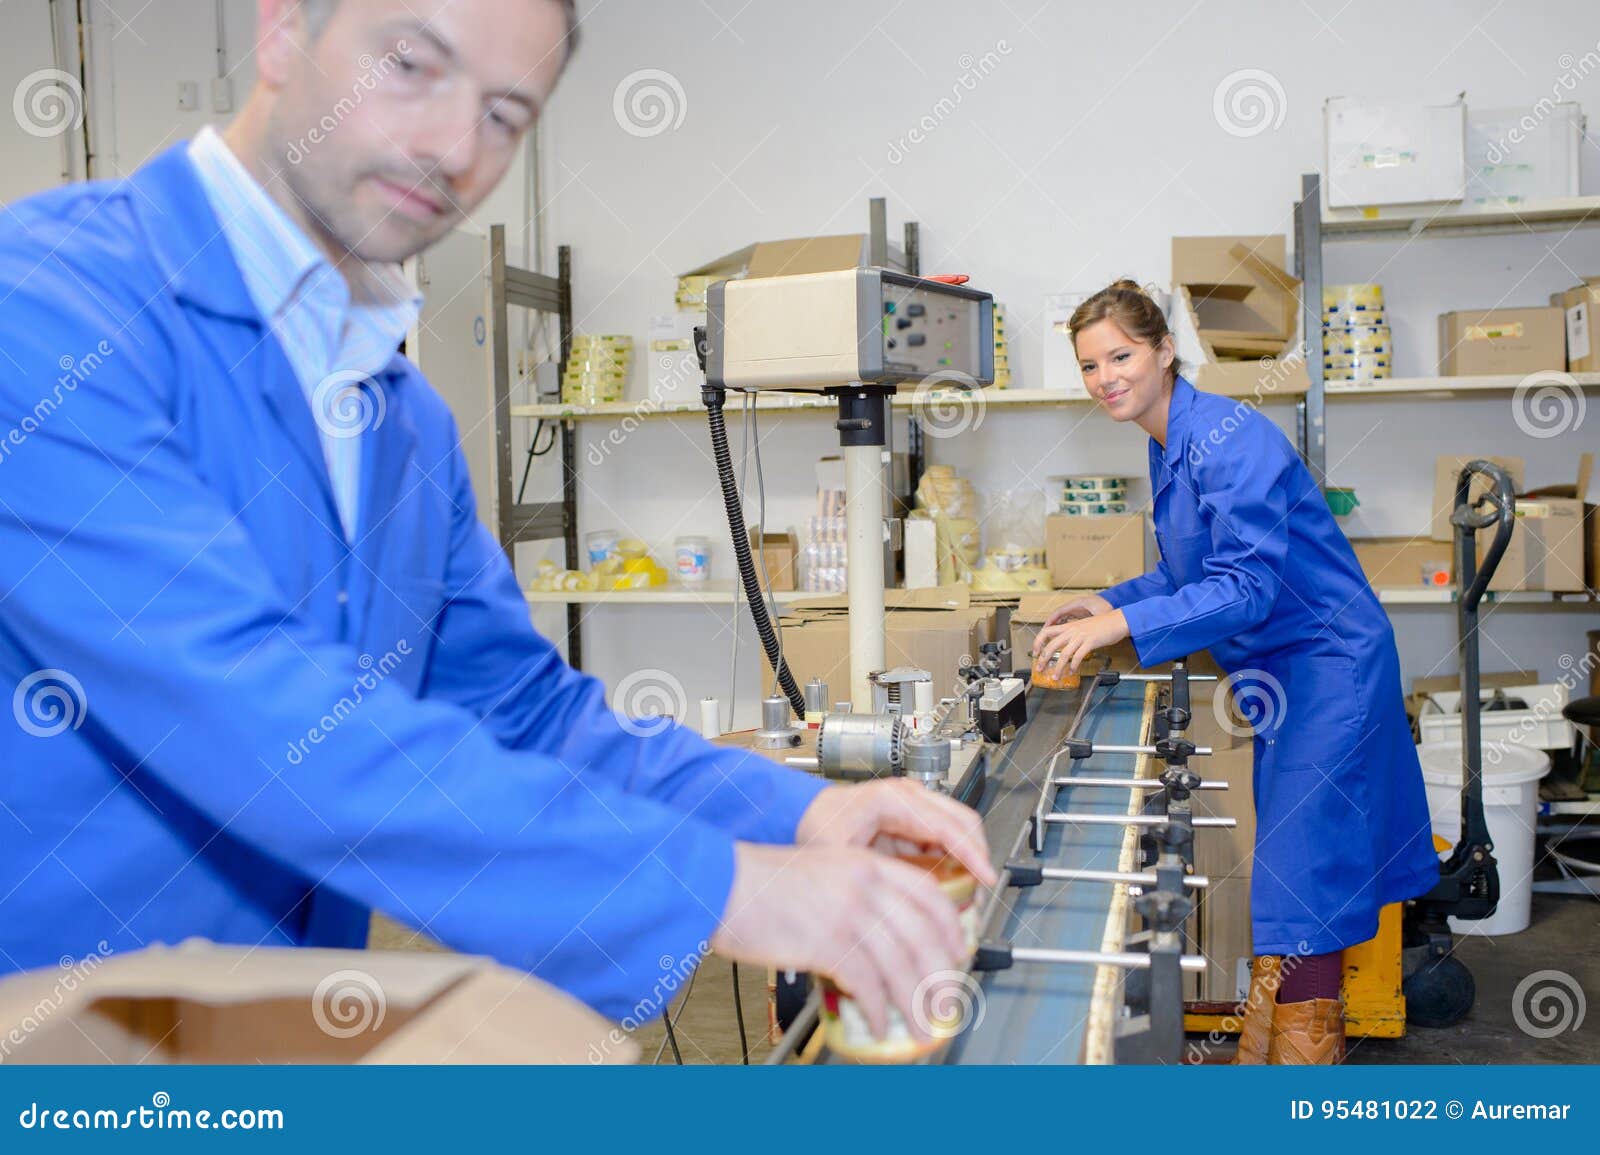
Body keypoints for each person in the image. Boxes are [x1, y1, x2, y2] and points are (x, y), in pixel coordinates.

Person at [0, 0, 994, 1042]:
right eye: (411, 63)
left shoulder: (399, 417)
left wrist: (800, 813)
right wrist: (729, 887)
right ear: (282, 29)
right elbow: (257, 715)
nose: (452, 146)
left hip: (261, 1038)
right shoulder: (49, 308)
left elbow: (525, 713)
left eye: (505, 114)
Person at [1031, 280, 1439, 1064]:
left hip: (1328, 663)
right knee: (1288, 873)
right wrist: (1106, 601)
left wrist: (1121, 626)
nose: (1105, 377)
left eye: (1121, 356)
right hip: (1280, 675)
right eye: (1089, 365)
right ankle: (1266, 1049)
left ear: (1164, 351)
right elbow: (1189, 572)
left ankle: (1301, 1070)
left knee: (1304, 874)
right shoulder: (1166, 442)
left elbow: (1246, 586)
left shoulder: (1228, 438)